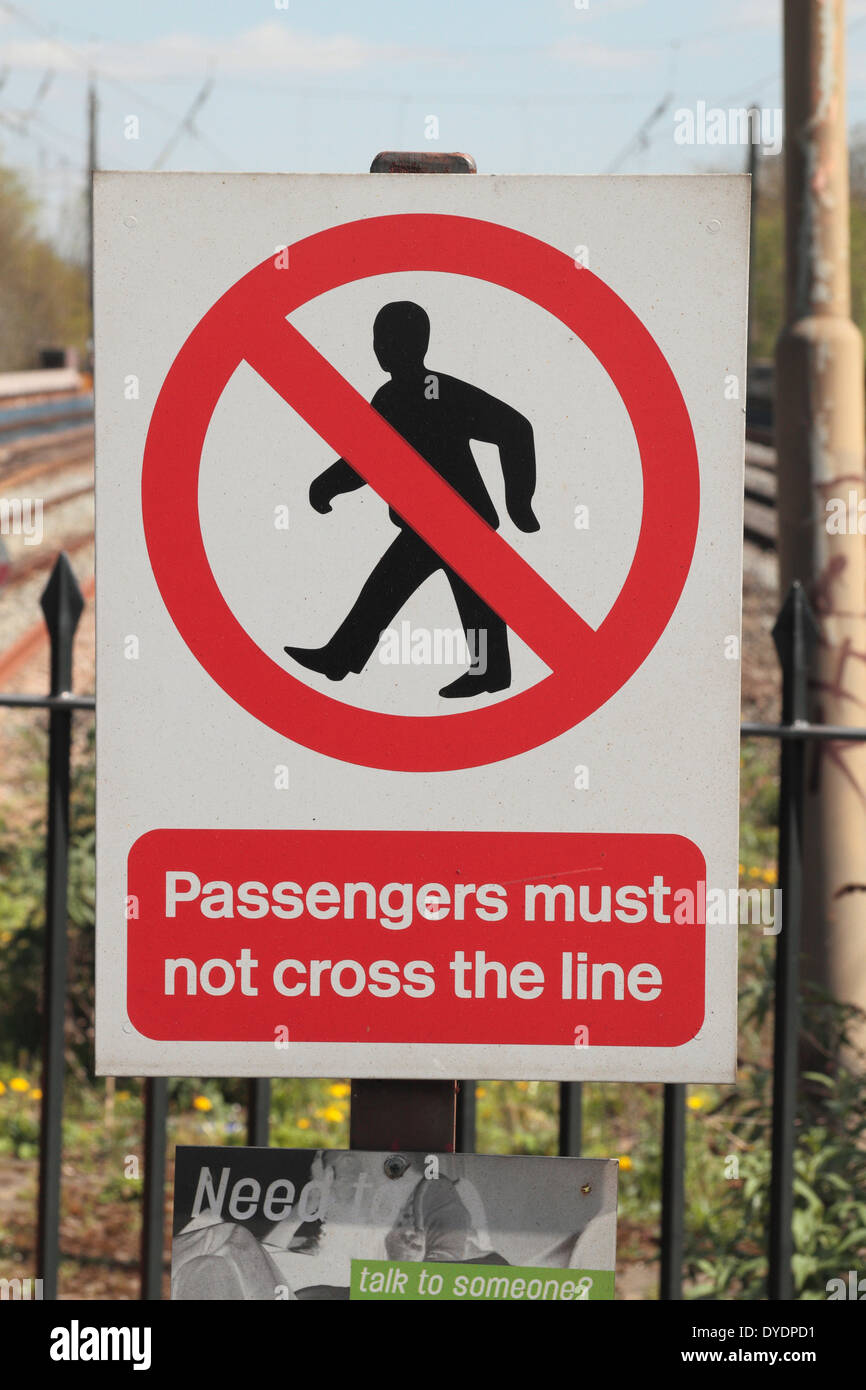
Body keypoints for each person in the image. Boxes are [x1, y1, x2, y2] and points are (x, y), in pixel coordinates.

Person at [285, 300, 540, 698]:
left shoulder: (433, 392)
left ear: (414, 344)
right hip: (432, 523)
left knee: (406, 591)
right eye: (378, 339)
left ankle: (343, 657)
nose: (379, 348)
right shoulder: (390, 396)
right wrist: (328, 485)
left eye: (387, 339)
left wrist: (520, 504)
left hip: (459, 521)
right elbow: (368, 459)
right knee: (450, 596)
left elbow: (516, 428)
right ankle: (486, 671)